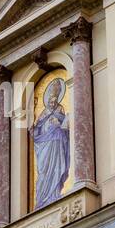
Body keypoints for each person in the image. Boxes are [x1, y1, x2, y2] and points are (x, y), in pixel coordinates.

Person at [31, 77, 70, 208]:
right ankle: (42, 198)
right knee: (44, 170)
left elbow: (65, 125)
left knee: (57, 167)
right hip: (44, 145)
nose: (53, 104)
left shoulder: (60, 109)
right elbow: (37, 129)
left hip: (57, 142)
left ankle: (54, 194)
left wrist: (59, 123)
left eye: (57, 89)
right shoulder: (43, 112)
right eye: (53, 88)